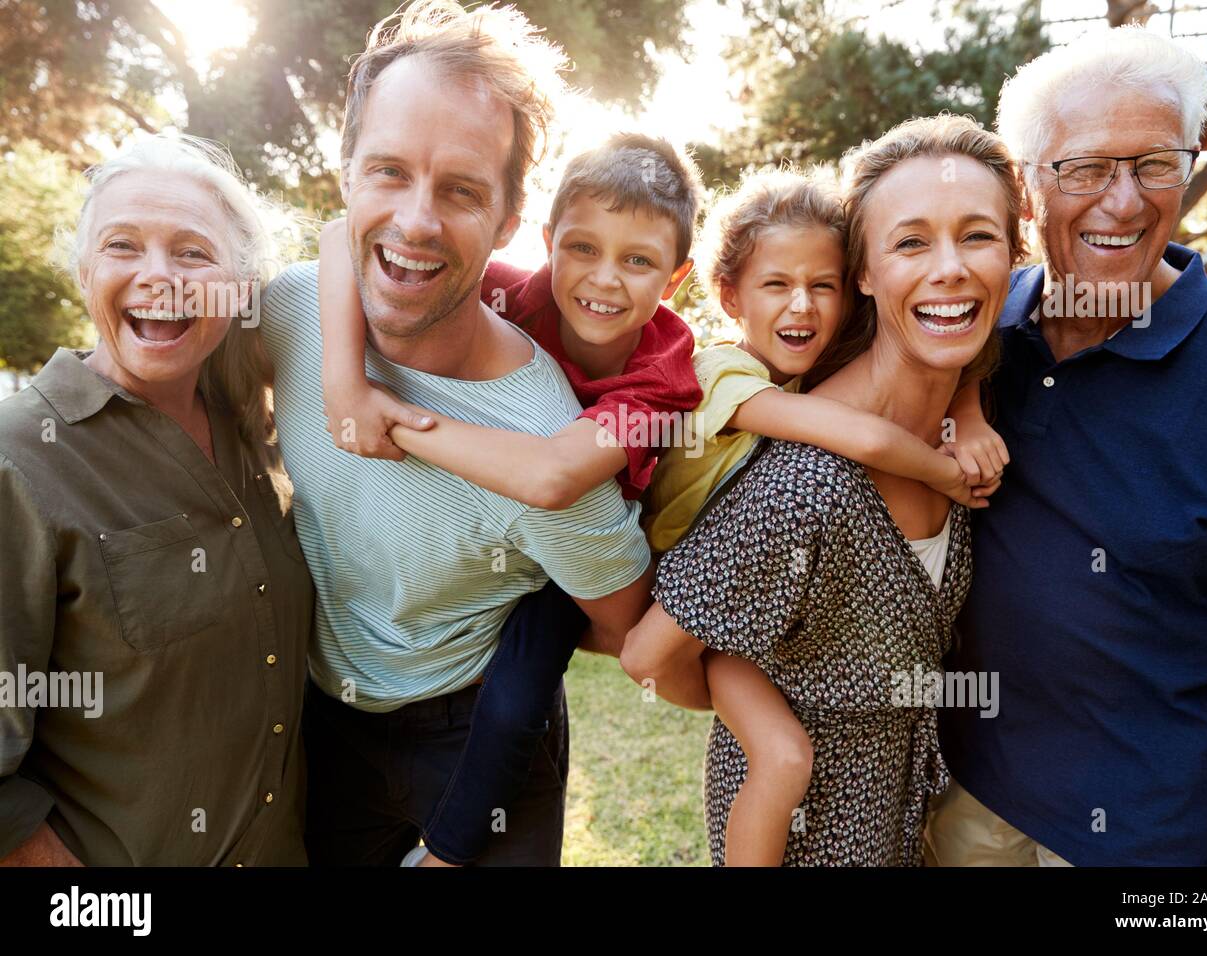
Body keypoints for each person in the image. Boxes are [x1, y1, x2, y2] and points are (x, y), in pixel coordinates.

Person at [256, 0, 652, 867]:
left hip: (480, 743)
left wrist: (530, 615)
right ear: (346, 177)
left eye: (463, 190)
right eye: (389, 172)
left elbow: (625, 621)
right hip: (325, 722)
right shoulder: (288, 311)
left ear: (511, 219)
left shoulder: (546, 437)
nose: (417, 221)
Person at [931, 27, 1207, 867]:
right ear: (1028, 191)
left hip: (1140, 841)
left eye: (1156, 164)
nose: (1125, 201)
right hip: (962, 795)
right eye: (1088, 168)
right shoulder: (969, 334)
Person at [623, 114, 1024, 865]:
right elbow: (649, 656)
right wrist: (771, 725)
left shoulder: (972, 421)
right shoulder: (805, 481)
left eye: (977, 236)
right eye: (911, 241)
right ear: (868, 273)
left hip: (908, 826)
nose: (950, 268)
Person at [314, 131, 706, 865]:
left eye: (639, 261)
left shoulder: (664, 375)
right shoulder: (501, 290)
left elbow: (553, 478)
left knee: (518, 694)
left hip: (577, 559)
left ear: (676, 279)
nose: (604, 279)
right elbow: (341, 236)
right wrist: (344, 383)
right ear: (549, 239)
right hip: (476, 544)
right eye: (583, 249)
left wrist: (385, 420)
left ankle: (449, 853)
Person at [0, 134, 314, 866]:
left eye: (193, 252)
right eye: (122, 246)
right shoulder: (19, 458)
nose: (158, 276)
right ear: (83, 272)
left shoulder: (256, 431)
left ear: (241, 287)